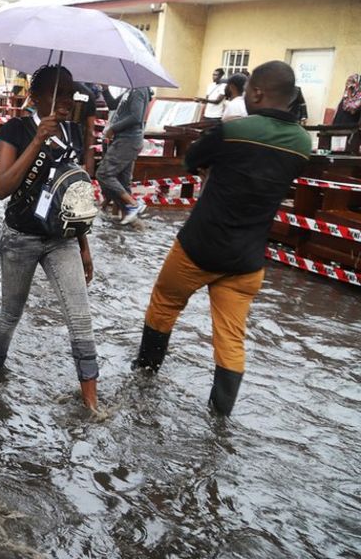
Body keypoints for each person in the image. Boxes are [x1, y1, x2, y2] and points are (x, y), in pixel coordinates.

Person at [133, 61, 312, 417]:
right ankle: (220, 417)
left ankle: (143, 379)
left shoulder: (234, 129)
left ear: (258, 92)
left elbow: (192, 160)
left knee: (164, 306)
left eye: (247, 91)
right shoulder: (302, 143)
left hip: (199, 246)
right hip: (247, 260)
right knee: (231, 338)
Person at [0, 65, 99, 411]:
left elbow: (76, 196)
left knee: (80, 317)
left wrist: (84, 246)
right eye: (57, 92)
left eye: (69, 92)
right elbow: (2, 188)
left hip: (62, 239)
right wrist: (36, 141)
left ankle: (92, 405)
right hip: (20, 236)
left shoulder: (74, 132)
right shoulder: (16, 130)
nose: (66, 99)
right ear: (35, 97)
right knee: (11, 313)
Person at [98, 86, 151, 224]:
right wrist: (104, 89)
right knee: (122, 182)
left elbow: (136, 116)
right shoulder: (130, 89)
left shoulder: (139, 89)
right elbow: (113, 105)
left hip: (127, 140)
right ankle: (133, 222)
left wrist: (113, 129)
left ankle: (133, 204)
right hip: (123, 139)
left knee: (104, 174)